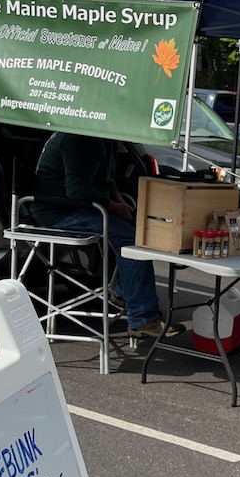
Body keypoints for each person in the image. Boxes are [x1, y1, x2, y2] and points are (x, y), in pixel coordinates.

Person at [32, 131, 175, 338]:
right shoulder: (80, 139)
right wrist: (114, 208)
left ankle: (123, 292)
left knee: (140, 229)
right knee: (130, 240)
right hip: (58, 212)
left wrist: (119, 202)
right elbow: (77, 191)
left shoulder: (101, 139)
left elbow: (107, 182)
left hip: (76, 206)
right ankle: (142, 317)